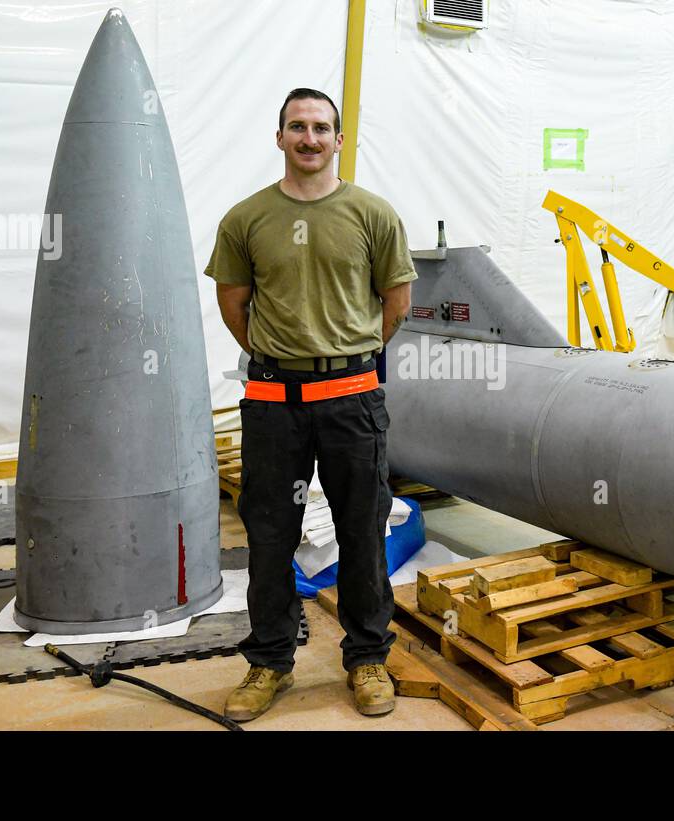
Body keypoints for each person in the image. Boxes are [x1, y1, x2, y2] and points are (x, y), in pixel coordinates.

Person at [205, 88, 416, 721]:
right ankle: (268, 663)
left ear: (339, 139)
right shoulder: (245, 220)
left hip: (352, 401)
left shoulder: (372, 214)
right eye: (297, 127)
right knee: (271, 537)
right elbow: (233, 306)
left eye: (321, 128)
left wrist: (343, 360)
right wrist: (281, 361)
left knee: (361, 532)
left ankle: (369, 657)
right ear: (279, 138)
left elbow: (395, 304)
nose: (310, 138)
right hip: (273, 404)